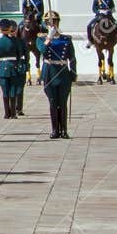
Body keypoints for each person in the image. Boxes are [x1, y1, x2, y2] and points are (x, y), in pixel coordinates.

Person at [40, 11, 76, 140]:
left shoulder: (66, 39)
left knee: (63, 102)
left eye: (55, 22)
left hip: (63, 72)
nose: (53, 24)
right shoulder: (41, 39)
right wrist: (48, 38)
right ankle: (55, 130)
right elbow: (43, 52)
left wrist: (73, 72)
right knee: (53, 102)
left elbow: (72, 58)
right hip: (49, 72)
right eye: (50, 22)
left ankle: (64, 130)